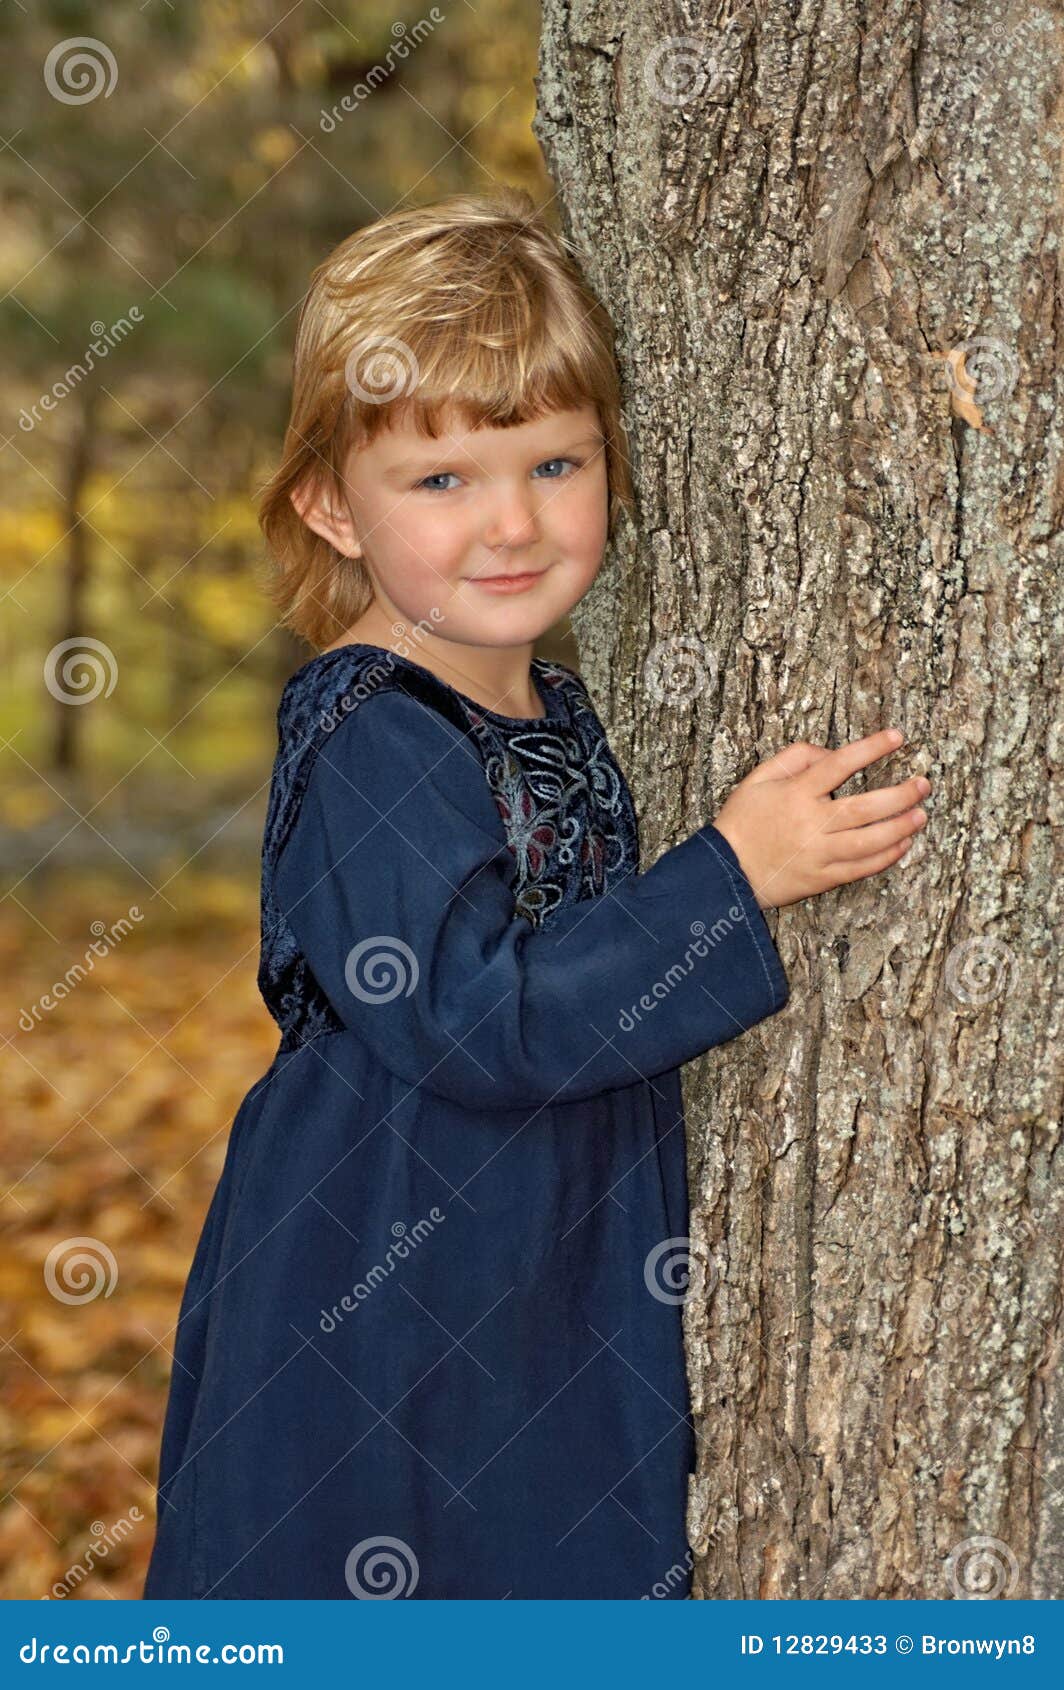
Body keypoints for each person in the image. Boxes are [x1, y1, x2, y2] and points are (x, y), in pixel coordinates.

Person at [142, 188, 931, 1600]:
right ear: (329, 505)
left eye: (555, 463)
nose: (510, 521)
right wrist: (733, 875)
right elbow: (474, 1014)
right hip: (389, 1289)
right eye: (441, 481)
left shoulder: (549, 708)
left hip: (530, 1258)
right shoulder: (373, 732)